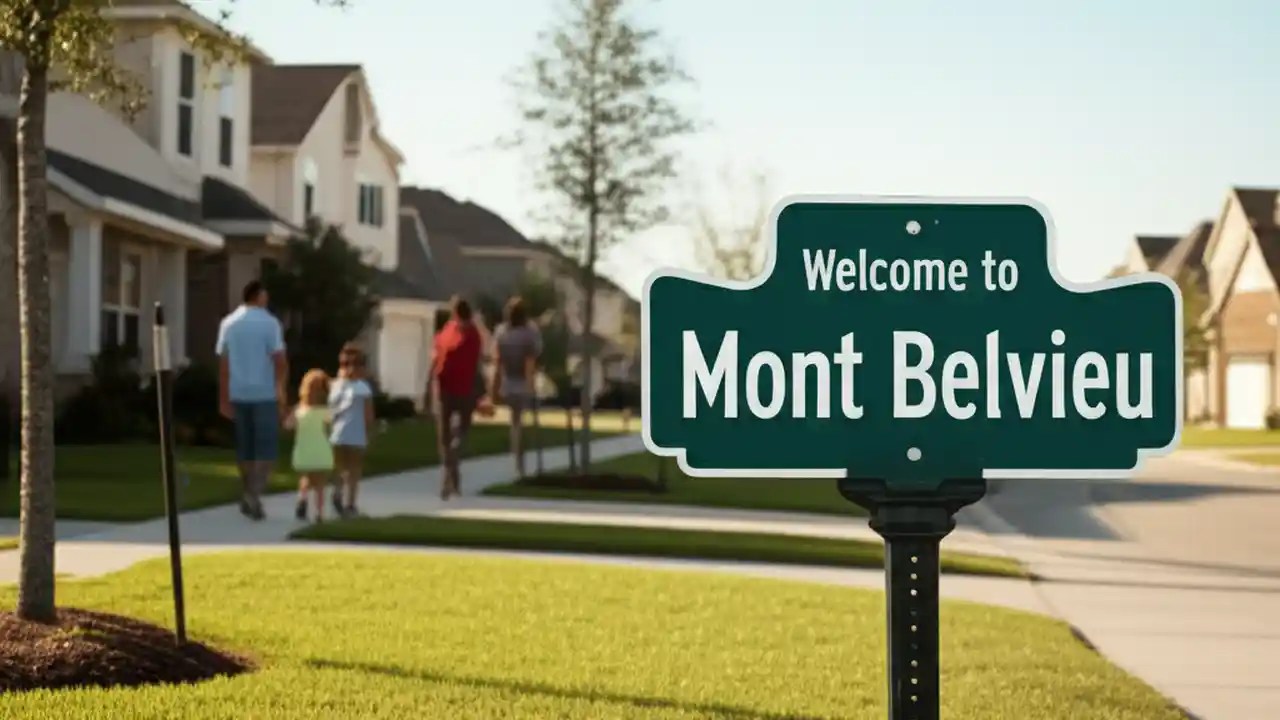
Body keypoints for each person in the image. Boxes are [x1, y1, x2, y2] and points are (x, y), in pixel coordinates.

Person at [217, 280, 288, 521]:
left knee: (245, 448)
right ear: (258, 296)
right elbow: (279, 361)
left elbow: (224, 364)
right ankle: (254, 495)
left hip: (238, 392)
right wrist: (281, 393)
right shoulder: (270, 324)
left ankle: (247, 492)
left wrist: (223, 397)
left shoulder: (228, 324)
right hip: (264, 393)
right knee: (265, 449)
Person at [431, 295, 487, 499]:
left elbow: (436, 357)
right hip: (466, 390)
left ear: (454, 312)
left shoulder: (448, 331)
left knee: (444, 438)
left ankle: (449, 476)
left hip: (445, 389)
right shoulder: (474, 334)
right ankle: (452, 479)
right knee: (460, 434)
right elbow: (477, 363)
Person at [490, 296, 543, 478]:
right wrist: (531, 387)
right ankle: (524, 464)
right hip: (523, 383)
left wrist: (494, 389)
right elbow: (530, 362)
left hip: (508, 383)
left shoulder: (501, 333)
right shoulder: (530, 332)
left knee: (515, 423)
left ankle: (517, 462)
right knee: (523, 425)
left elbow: (497, 363)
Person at [328, 343, 375, 518]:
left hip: (337, 432)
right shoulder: (363, 388)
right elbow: (368, 415)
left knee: (339, 467)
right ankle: (350, 504)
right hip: (356, 434)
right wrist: (370, 433)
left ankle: (337, 492)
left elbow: (330, 410)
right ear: (360, 367)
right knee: (354, 471)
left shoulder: (335, 385)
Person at [287, 369, 334, 522]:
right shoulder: (326, 412)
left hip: (304, 449)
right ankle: (319, 513)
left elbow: (288, 425)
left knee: (305, 477)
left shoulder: (299, 410)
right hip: (320, 449)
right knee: (320, 484)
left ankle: (302, 498)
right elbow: (330, 428)